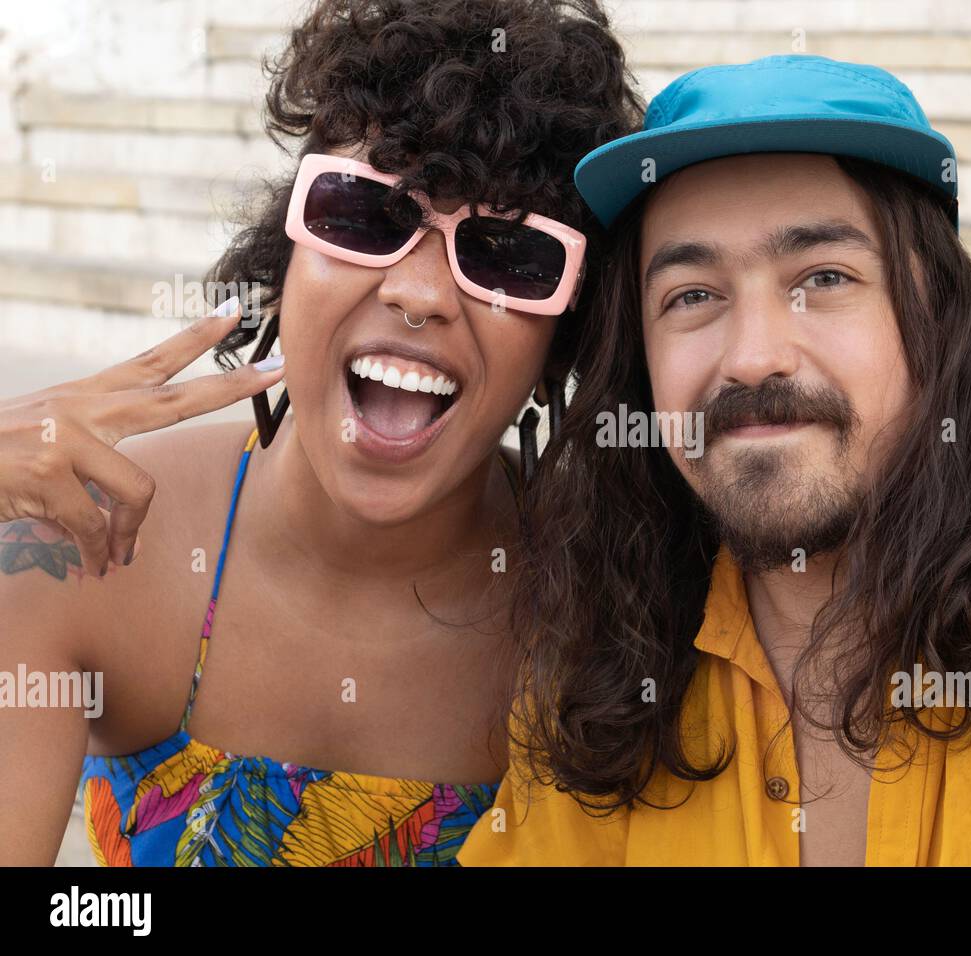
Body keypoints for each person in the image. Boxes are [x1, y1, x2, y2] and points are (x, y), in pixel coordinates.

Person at [459, 55, 971, 866]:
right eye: (692, 296)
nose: (754, 356)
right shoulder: (609, 647)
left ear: (935, 313)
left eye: (823, 277)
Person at [0, 0, 640, 866]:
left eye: (506, 255)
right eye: (366, 215)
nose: (420, 294)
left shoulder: (616, 599)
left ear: (565, 330)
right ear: (284, 249)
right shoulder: (89, 539)